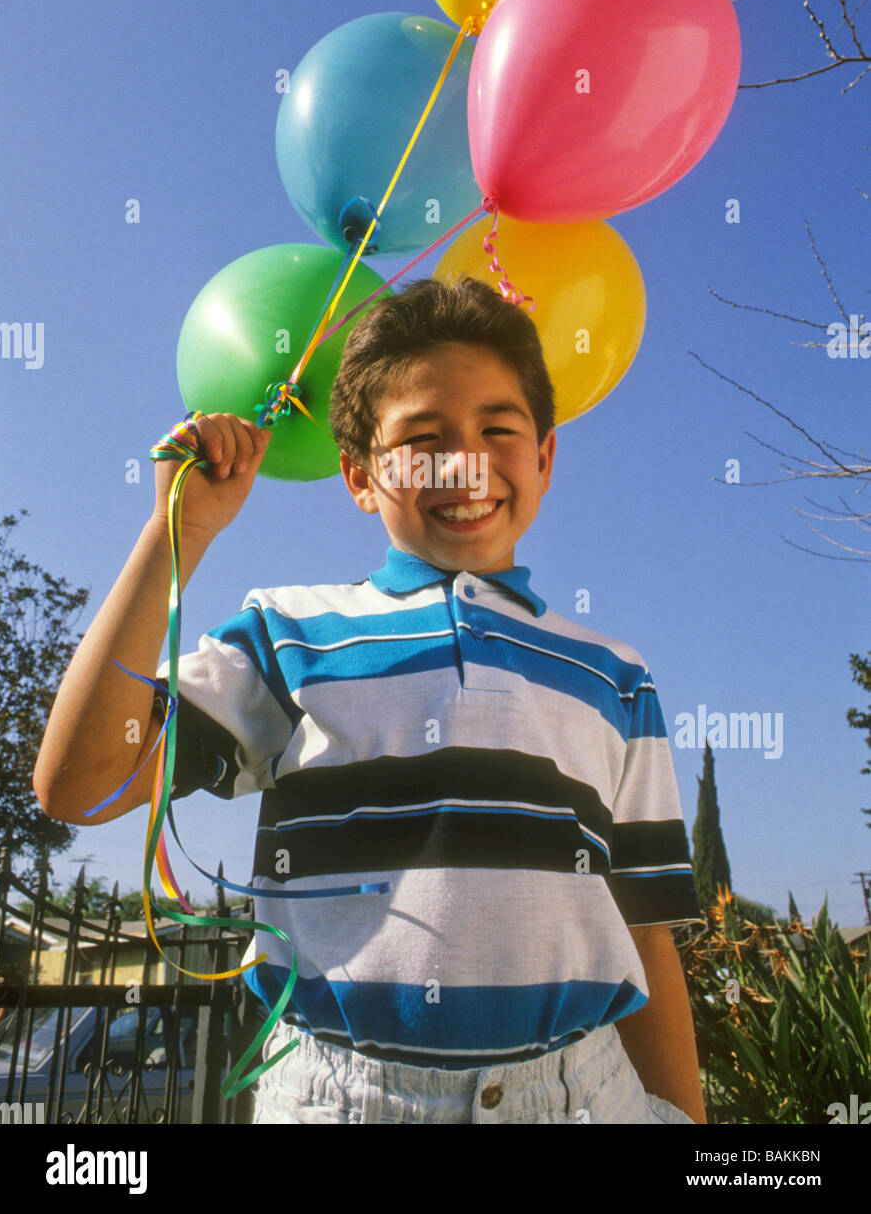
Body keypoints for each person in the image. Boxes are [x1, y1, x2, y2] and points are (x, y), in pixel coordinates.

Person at [35, 275, 706, 1125]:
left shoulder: (615, 675)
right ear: (358, 475)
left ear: (543, 456)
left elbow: (645, 933)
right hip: (344, 1101)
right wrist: (176, 534)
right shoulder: (286, 635)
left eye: (497, 429)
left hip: (586, 1095)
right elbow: (80, 783)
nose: (464, 463)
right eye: (422, 438)